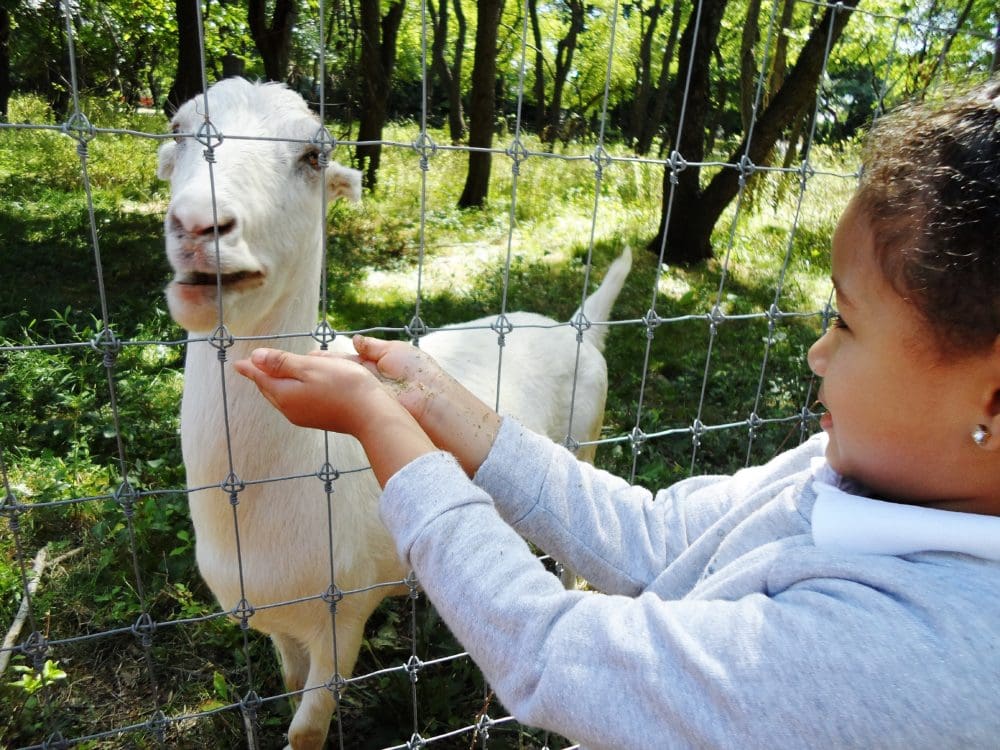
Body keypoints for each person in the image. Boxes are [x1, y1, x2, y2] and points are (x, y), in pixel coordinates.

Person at [234, 78, 1000, 748]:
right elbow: (655, 537)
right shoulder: (849, 472)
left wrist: (383, 427)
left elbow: (553, 652)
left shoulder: (919, 663)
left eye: (847, 323)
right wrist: (442, 403)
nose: (817, 352)